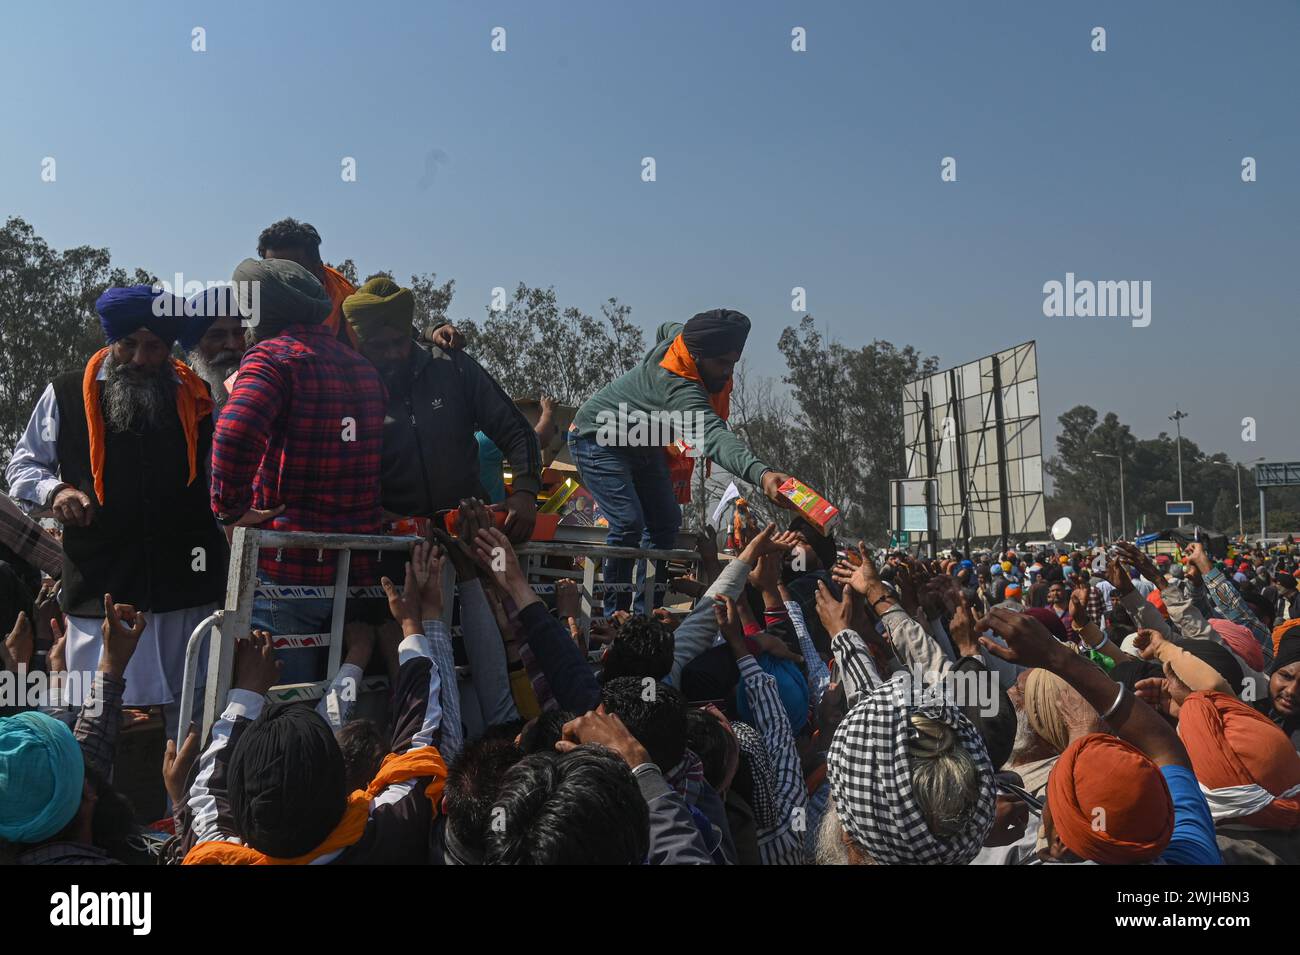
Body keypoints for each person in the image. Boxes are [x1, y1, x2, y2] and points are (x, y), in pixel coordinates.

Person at [5, 286, 227, 737]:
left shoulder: (199, 396)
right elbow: (23, 466)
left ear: (170, 349)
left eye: (155, 346)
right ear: (112, 341)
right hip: (101, 587)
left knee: (189, 721)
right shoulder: (65, 393)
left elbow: (220, 474)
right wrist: (56, 491)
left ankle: (183, 807)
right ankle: (89, 806)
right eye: (129, 344)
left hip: (184, 588)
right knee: (94, 717)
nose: (141, 358)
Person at [179, 545, 450, 865]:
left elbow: (207, 788)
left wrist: (246, 693)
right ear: (343, 783)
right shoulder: (391, 829)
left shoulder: (213, 857)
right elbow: (418, 743)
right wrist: (410, 625)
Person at [209, 258, 386, 684]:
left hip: (286, 573)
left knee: (281, 709)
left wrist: (230, 509)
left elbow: (234, 433)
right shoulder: (362, 367)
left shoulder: (271, 359)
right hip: (353, 572)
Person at [569, 309, 806, 614]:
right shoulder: (681, 388)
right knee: (628, 522)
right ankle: (615, 613)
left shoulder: (682, 338)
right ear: (695, 355)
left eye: (732, 364)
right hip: (596, 438)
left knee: (666, 524)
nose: (726, 372)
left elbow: (663, 326)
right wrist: (763, 475)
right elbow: (715, 437)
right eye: (721, 363)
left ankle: (647, 613)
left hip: (644, 444)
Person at [977, 607, 1221, 864]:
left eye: (1054, 792)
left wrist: (1057, 659)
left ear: (1059, 842)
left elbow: (1163, 749)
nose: (1011, 694)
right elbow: (1164, 749)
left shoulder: (1010, 838)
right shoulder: (1191, 854)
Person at [341, 276, 542, 542]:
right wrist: (370, 512)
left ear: (410, 333)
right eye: (379, 346)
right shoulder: (349, 387)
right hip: (391, 546)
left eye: (399, 342)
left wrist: (525, 492)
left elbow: (516, 430)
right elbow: (340, 471)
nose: (392, 353)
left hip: (469, 536)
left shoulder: (452, 366)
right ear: (360, 344)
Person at [181, 285, 246, 415]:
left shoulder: (267, 390)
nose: (232, 345)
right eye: (217, 336)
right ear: (194, 346)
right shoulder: (180, 396)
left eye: (239, 333)